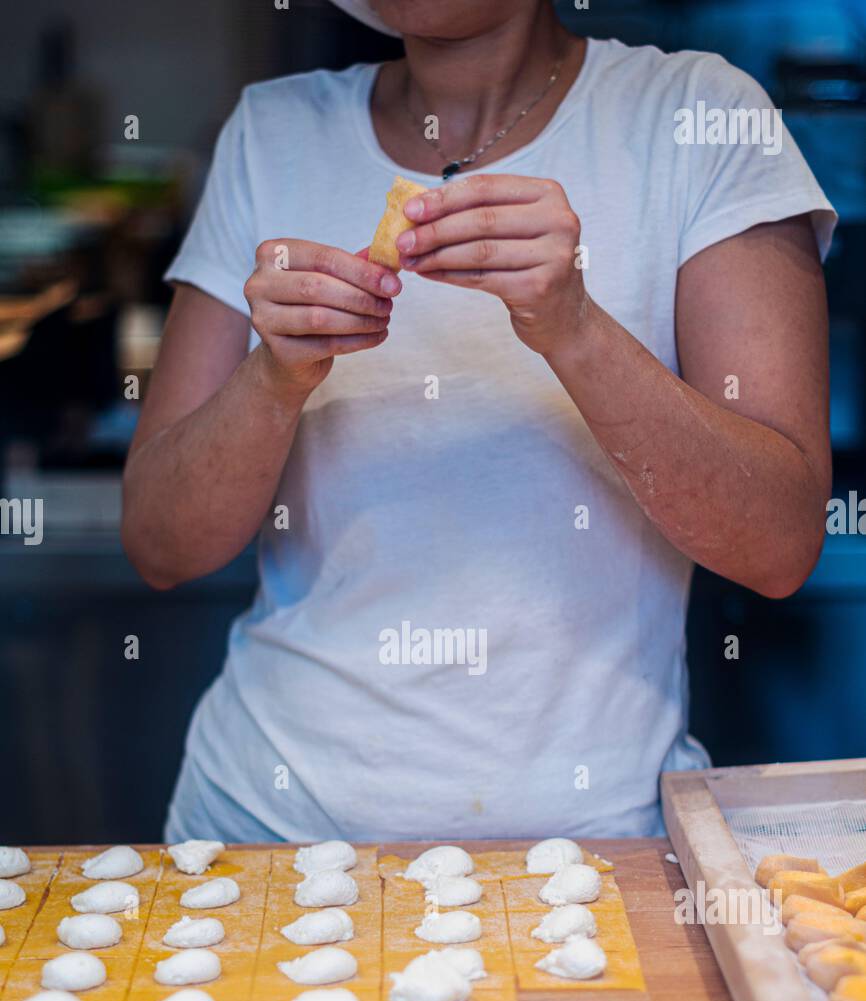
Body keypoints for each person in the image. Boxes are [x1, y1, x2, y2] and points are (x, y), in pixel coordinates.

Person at [122, 0, 835, 844]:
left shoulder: (700, 117)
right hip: (261, 832)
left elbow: (779, 543)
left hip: (590, 853)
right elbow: (161, 544)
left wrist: (574, 327)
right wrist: (272, 380)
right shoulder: (271, 131)